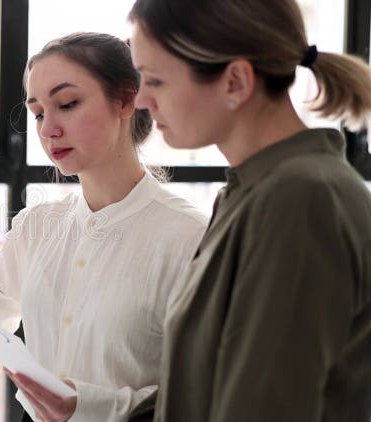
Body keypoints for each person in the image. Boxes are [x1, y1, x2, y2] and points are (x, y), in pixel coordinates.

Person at [0, 32, 207, 422]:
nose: (48, 130)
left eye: (67, 104)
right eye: (38, 113)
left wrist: (88, 406)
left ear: (125, 100)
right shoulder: (38, 225)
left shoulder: (190, 237)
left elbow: (206, 393)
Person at [127, 1, 371, 421]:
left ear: (236, 81)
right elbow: (204, 384)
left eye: (156, 80)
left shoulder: (300, 199)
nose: (141, 99)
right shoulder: (252, 192)